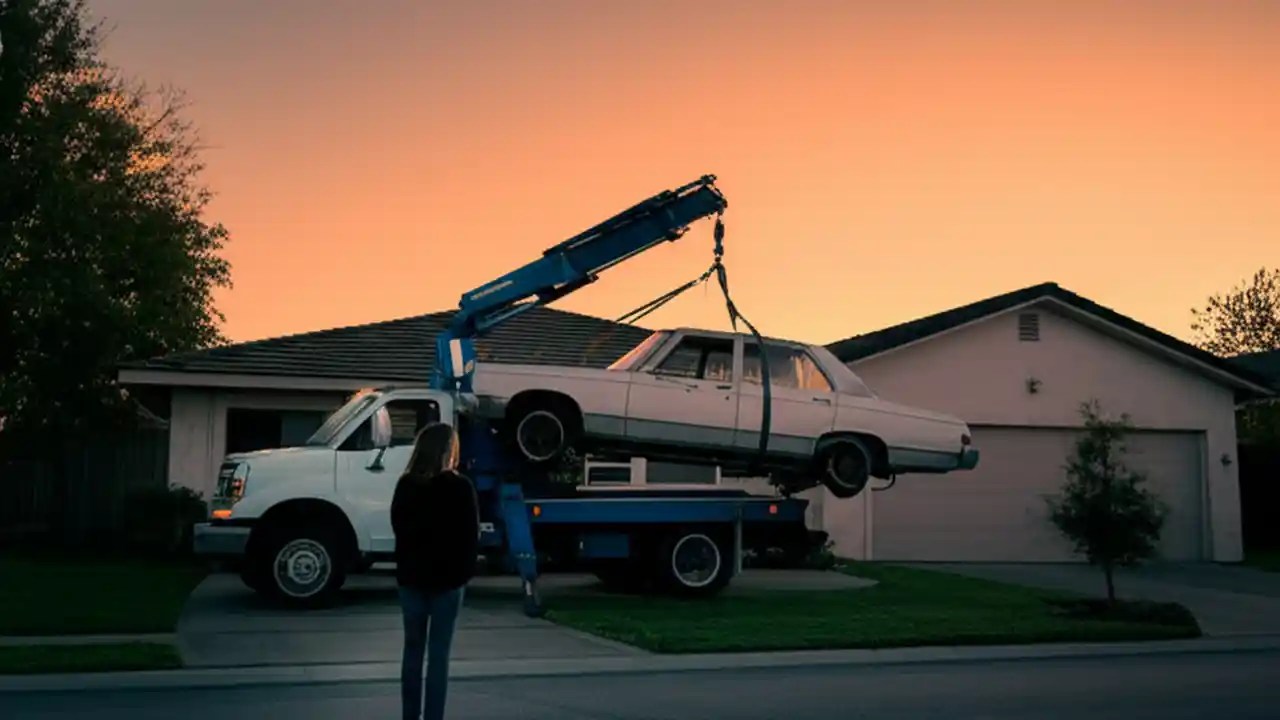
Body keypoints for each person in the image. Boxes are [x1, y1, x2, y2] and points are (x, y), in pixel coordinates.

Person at [390, 421, 480, 720]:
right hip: (447, 582)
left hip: (412, 580)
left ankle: (409, 715)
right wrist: (462, 575)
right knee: (439, 656)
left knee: (412, 651)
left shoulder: (406, 485)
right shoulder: (460, 487)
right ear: (448, 451)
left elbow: (399, 529)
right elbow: (470, 537)